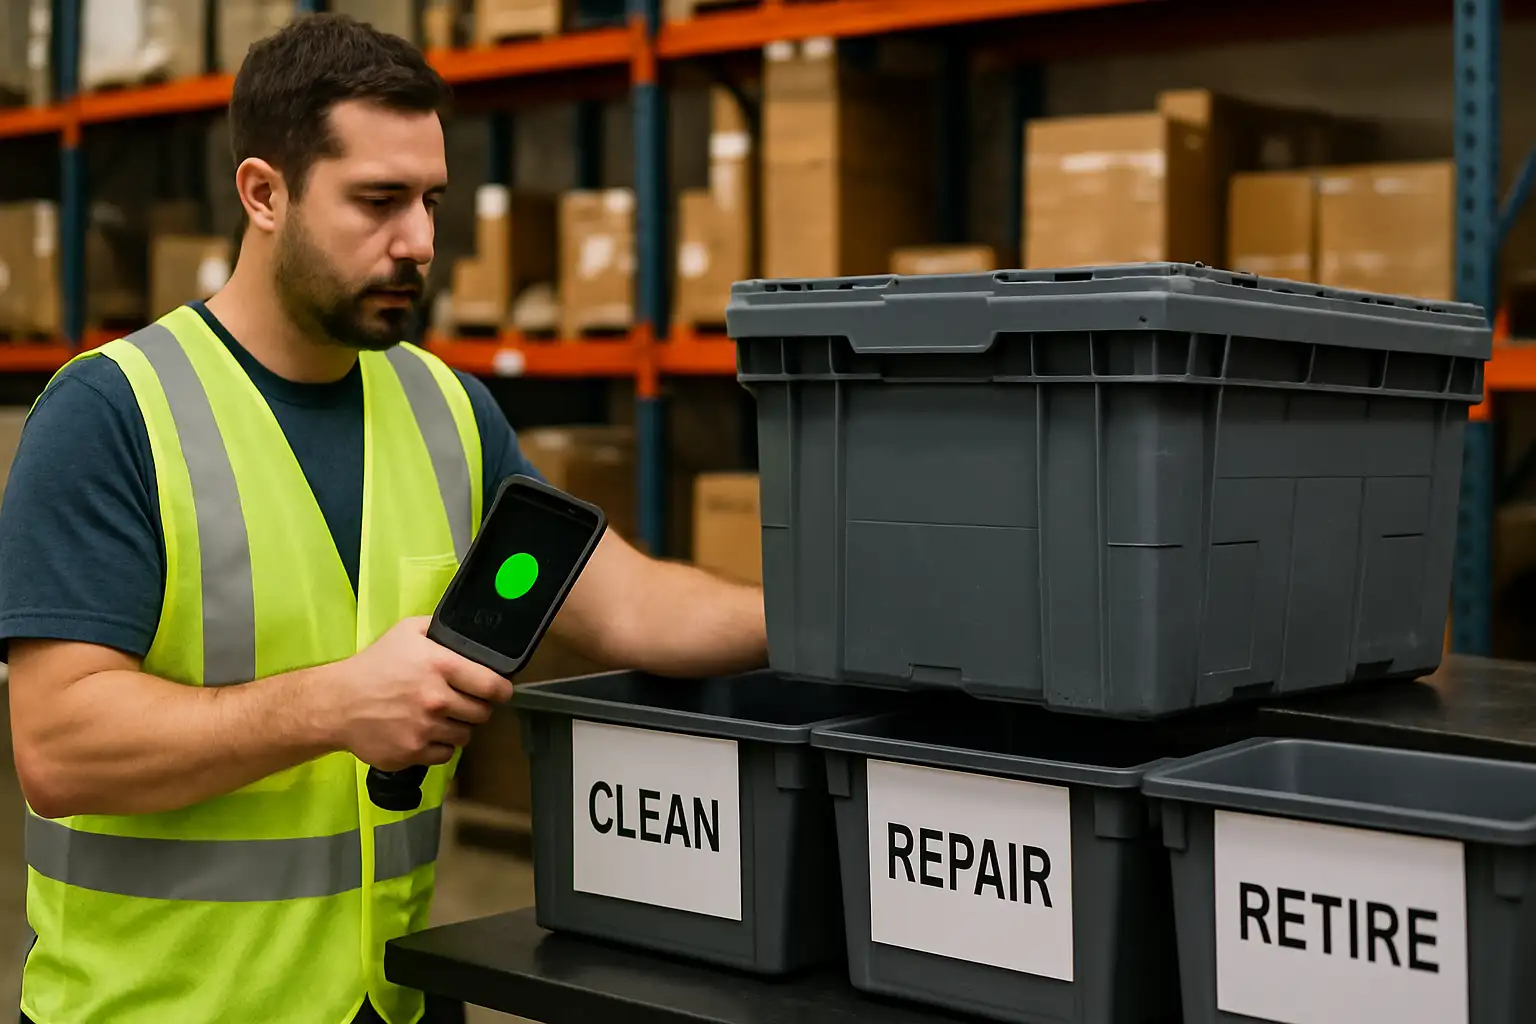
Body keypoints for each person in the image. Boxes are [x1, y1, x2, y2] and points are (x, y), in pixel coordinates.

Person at [0, 13, 766, 1024]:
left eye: (431, 200)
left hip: (388, 1004)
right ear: (264, 194)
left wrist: (843, 612)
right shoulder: (111, 414)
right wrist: (337, 705)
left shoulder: (448, 413)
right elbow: (61, 748)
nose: (421, 241)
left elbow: (634, 608)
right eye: (378, 202)